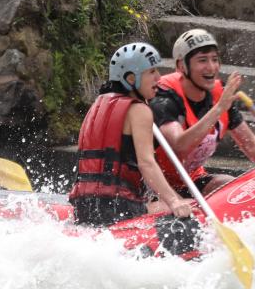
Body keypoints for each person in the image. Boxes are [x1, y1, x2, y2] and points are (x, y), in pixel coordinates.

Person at [68, 42, 194, 227]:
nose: (159, 77)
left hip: (83, 205)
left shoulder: (97, 105)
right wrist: (175, 202)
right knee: (194, 205)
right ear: (131, 78)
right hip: (119, 207)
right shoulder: (140, 111)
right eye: (151, 72)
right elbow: (146, 163)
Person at [150, 28, 255, 198]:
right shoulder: (164, 96)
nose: (211, 67)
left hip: (189, 180)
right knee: (169, 209)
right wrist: (219, 109)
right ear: (181, 66)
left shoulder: (219, 95)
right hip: (152, 186)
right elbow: (179, 146)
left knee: (229, 186)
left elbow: (251, 146)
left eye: (215, 59)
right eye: (202, 60)